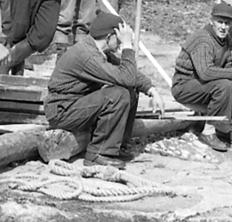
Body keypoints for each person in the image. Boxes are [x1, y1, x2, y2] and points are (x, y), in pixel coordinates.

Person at [45, 10, 164, 166]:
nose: (121, 43)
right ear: (109, 37)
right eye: (119, 39)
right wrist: (128, 47)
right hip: (62, 111)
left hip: (76, 105)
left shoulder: (99, 51)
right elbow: (126, 77)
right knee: (118, 94)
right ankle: (97, 153)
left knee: (129, 91)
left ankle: (118, 146)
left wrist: (152, 90)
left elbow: (130, 75)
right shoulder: (87, 55)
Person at [171, 2, 232, 151]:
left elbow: (230, 65)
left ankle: (222, 128)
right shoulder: (203, 39)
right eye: (219, 22)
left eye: (227, 23)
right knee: (224, 85)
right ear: (211, 21)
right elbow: (205, 72)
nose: (223, 27)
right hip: (184, 85)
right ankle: (209, 131)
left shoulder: (227, 40)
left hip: (204, 86)